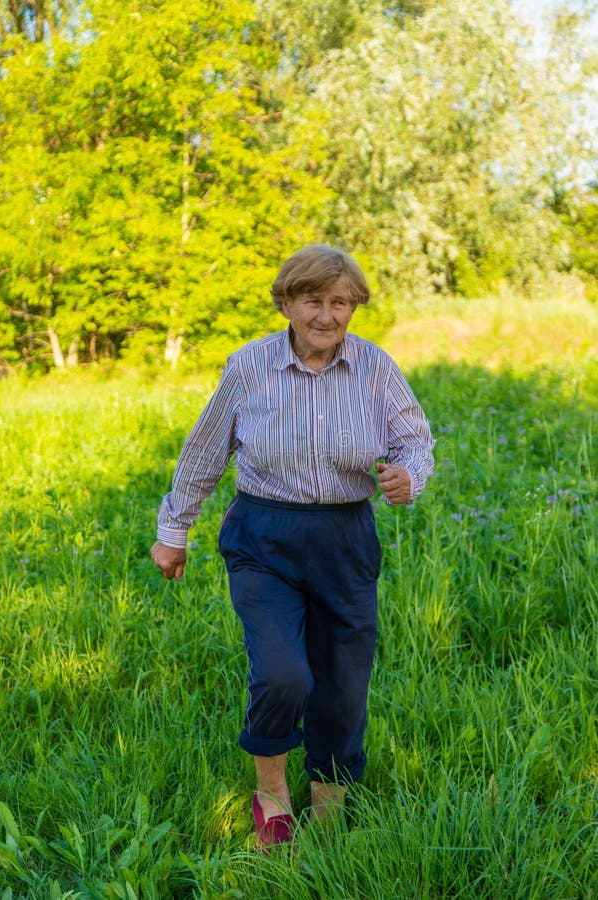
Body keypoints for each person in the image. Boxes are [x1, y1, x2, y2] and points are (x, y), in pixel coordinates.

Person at [151, 244, 434, 847]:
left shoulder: (376, 368)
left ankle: (329, 807)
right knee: (282, 674)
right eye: (313, 301)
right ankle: (272, 793)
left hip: (344, 539)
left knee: (342, 680)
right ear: (286, 303)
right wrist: (174, 532)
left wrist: (409, 476)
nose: (327, 316)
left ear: (353, 308)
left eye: (340, 302)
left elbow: (416, 440)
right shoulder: (248, 366)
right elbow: (205, 452)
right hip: (264, 536)